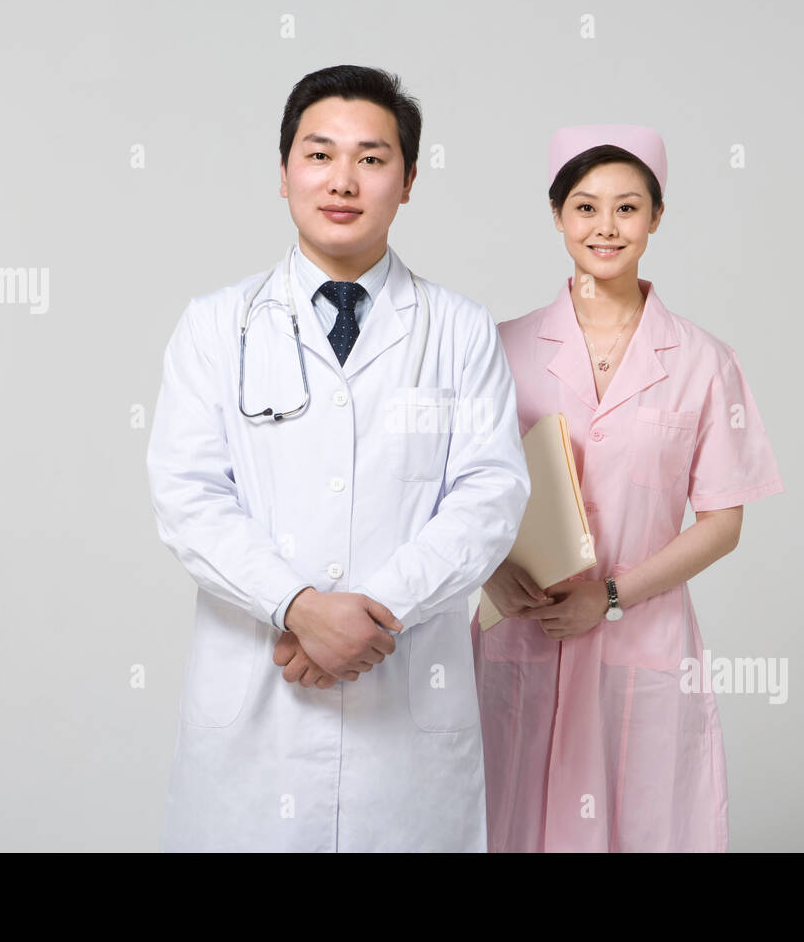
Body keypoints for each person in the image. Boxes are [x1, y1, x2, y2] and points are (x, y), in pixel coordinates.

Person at [146, 65, 530, 852]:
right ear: (283, 173)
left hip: (405, 708)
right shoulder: (217, 326)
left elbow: (489, 494)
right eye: (319, 155)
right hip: (257, 705)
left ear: (410, 181)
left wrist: (371, 613)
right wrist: (298, 606)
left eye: (373, 157)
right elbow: (188, 497)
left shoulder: (460, 330)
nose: (343, 180)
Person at [472, 124, 785, 852]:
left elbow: (722, 520)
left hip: (636, 635)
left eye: (627, 207)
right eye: (584, 207)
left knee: (644, 829)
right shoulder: (499, 347)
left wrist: (608, 597)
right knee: (505, 824)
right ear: (557, 217)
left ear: (656, 217)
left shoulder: (704, 360)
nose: (605, 227)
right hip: (521, 628)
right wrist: (491, 568)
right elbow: (452, 493)